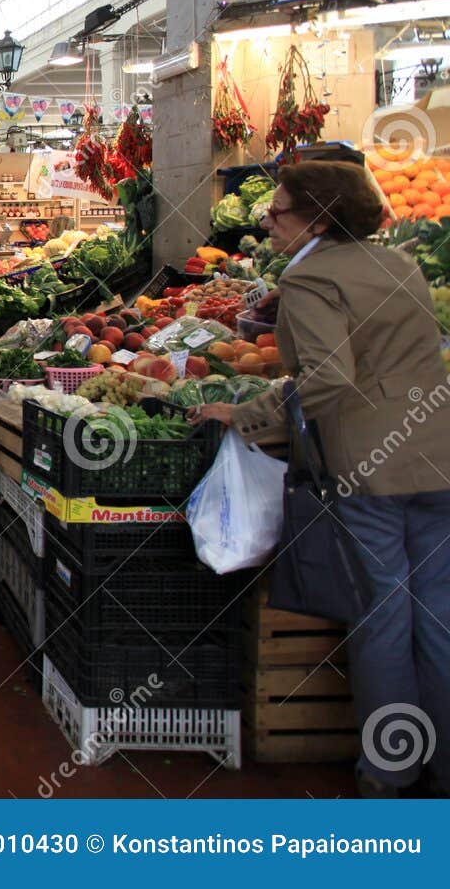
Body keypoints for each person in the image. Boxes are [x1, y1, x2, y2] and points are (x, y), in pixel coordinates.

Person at [190, 160, 450, 797]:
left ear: (318, 217)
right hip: (437, 459)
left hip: (370, 467)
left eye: (278, 211)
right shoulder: (400, 263)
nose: (267, 221)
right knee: (438, 618)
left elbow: (328, 381)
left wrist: (246, 411)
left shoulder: (309, 278)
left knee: (383, 618)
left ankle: (388, 775)